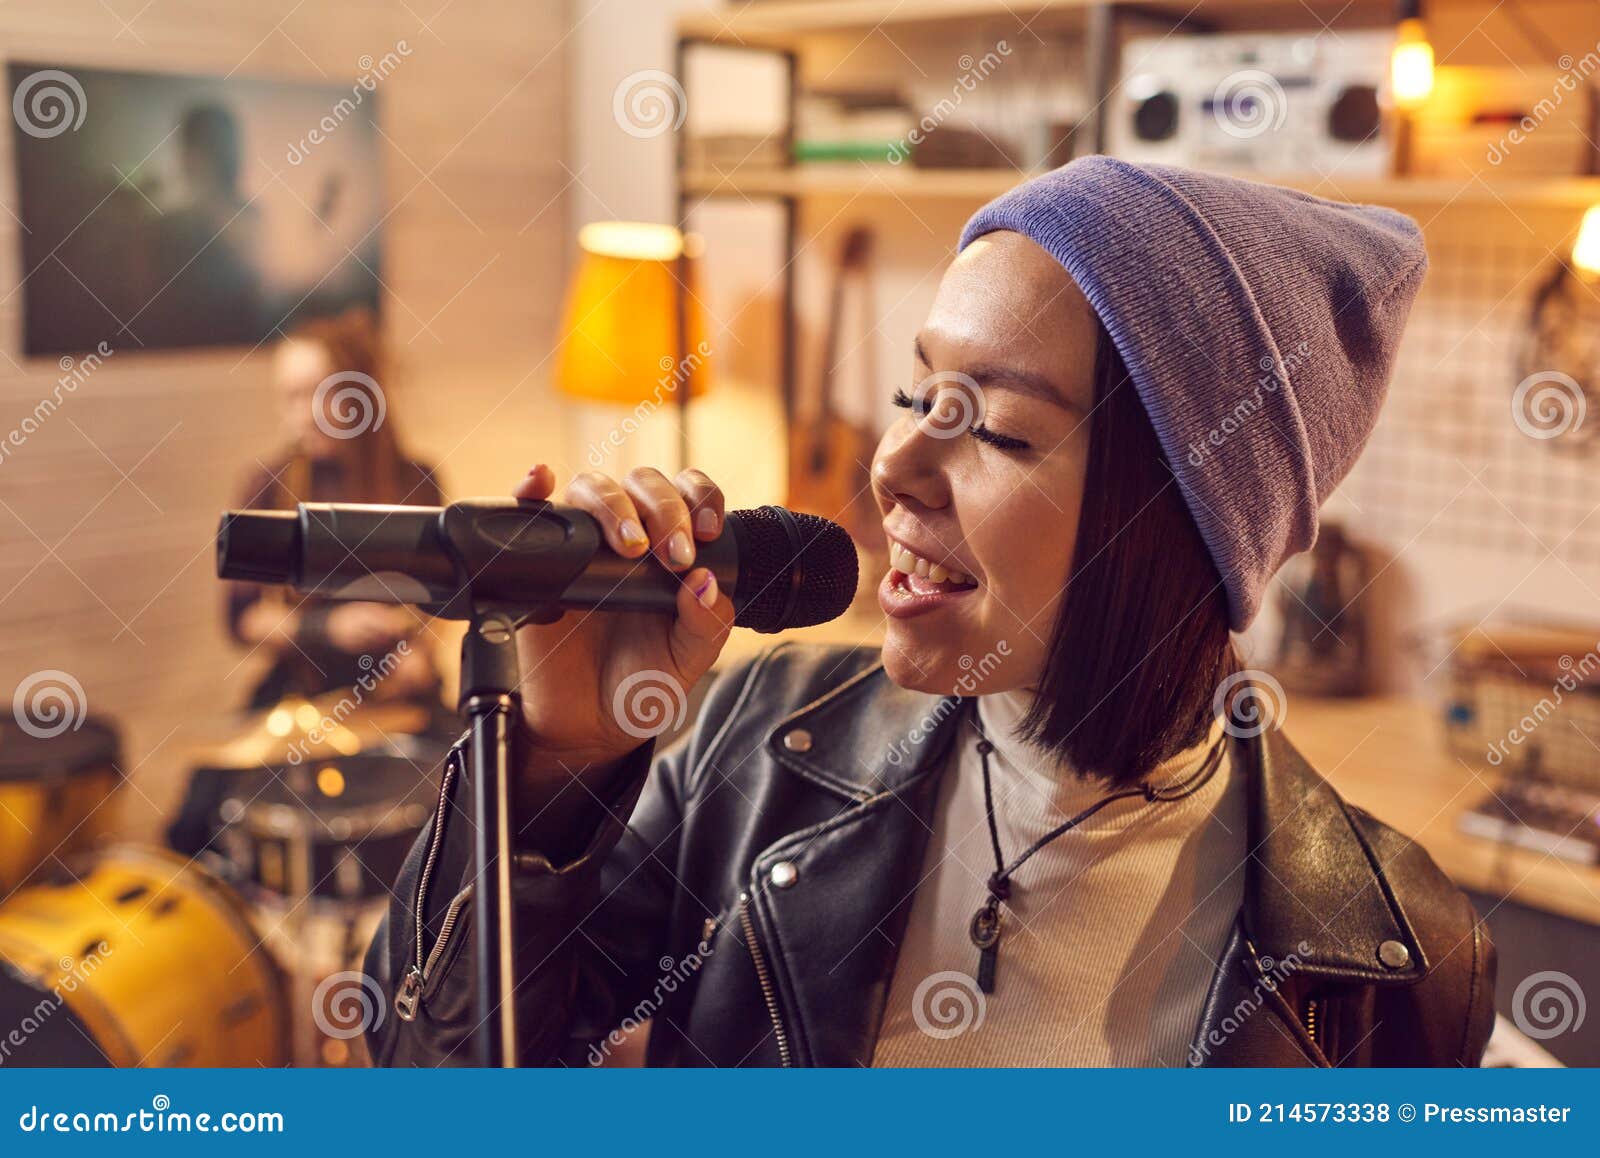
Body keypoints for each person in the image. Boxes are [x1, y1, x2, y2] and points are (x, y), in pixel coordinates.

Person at [365, 159, 1496, 1067]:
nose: (893, 462)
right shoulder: (748, 752)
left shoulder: (1392, 953)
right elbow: (430, 1076)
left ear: (1179, 525)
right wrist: (551, 775)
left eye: (997, 430)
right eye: (916, 395)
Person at [225, 308, 441, 710]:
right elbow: (243, 618)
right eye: (290, 397)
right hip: (302, 697)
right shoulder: (268, 486)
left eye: (319, 392)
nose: (303, 415)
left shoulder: (418, 482)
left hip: (397, 696)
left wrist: (419, 652)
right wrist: (326, 628)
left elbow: (436, 604)